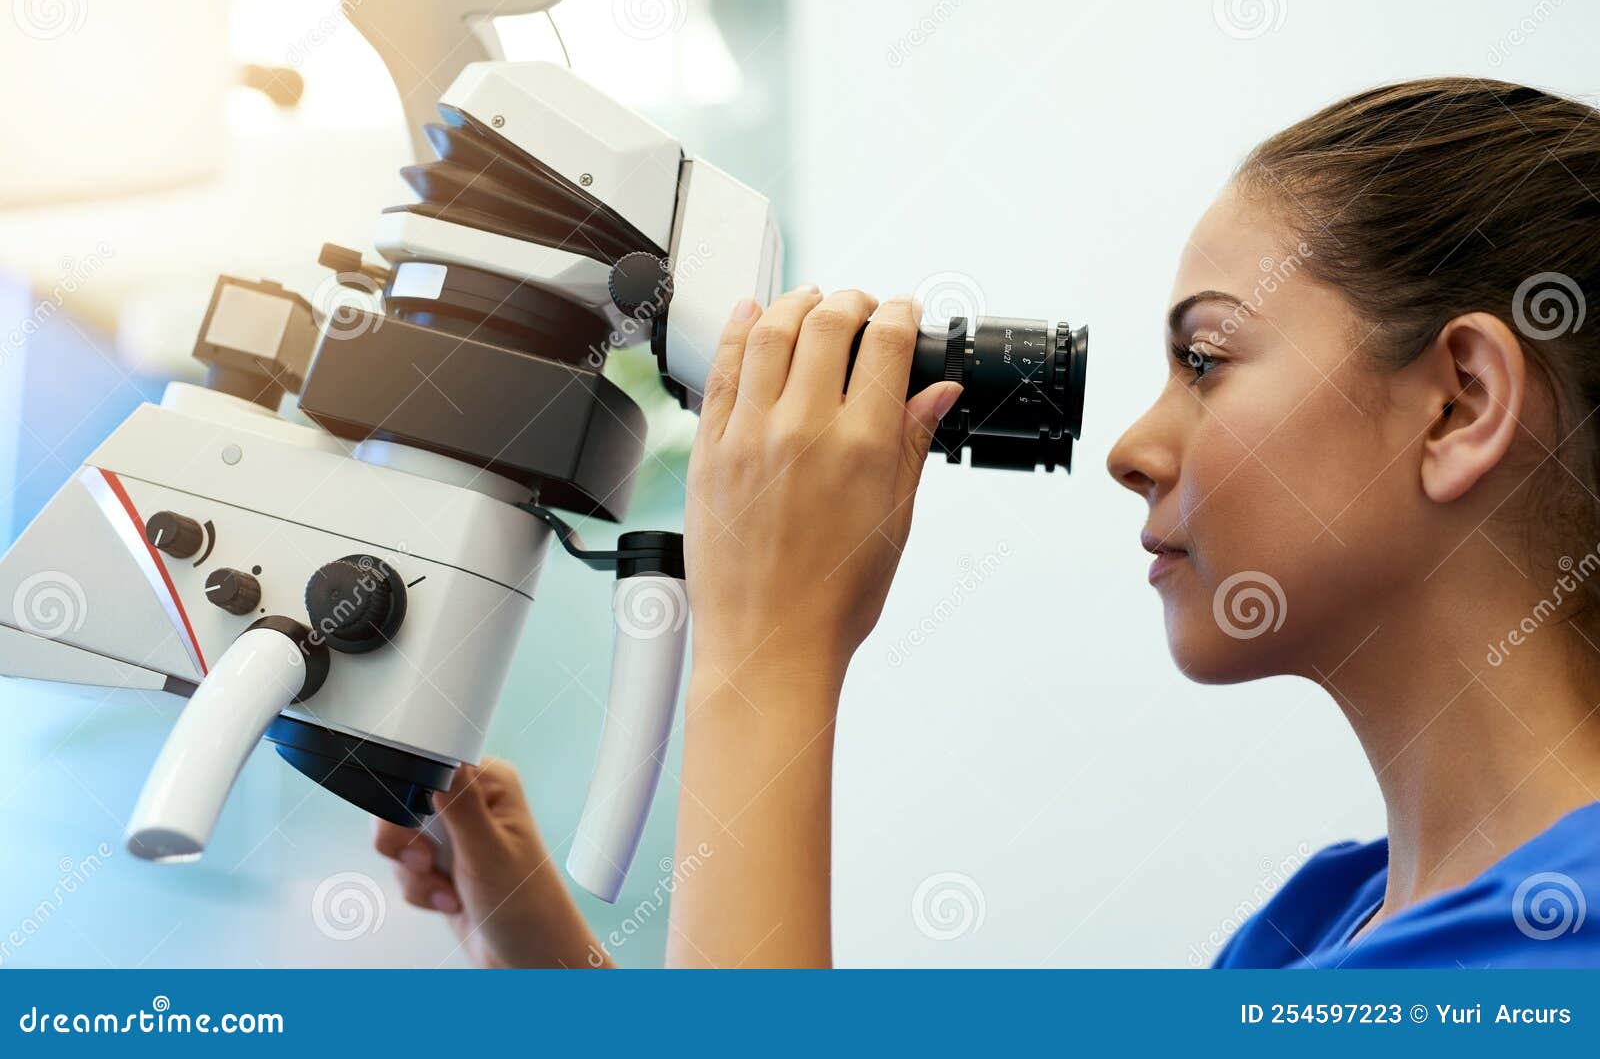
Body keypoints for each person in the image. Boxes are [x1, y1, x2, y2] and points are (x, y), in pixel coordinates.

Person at [375, 77, 1600, 968]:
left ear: (1460, 404)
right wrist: (528, 942)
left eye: (1207, 359)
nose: (1130, 448)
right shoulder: (1325, 929)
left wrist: (768, 649)